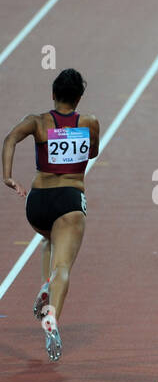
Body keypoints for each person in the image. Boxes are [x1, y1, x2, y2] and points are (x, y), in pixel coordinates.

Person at [2, 68, 100, 361]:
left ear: (53, 95)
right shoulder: (89, 122)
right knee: (64, 266)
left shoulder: (38, 122)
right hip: (69, 199)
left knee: (48, 239)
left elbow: (9, 139)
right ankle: (51, 318)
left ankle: (46, 285)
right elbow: (92, 152)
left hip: (37, 203)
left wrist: (7, 177)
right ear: (79, 98)